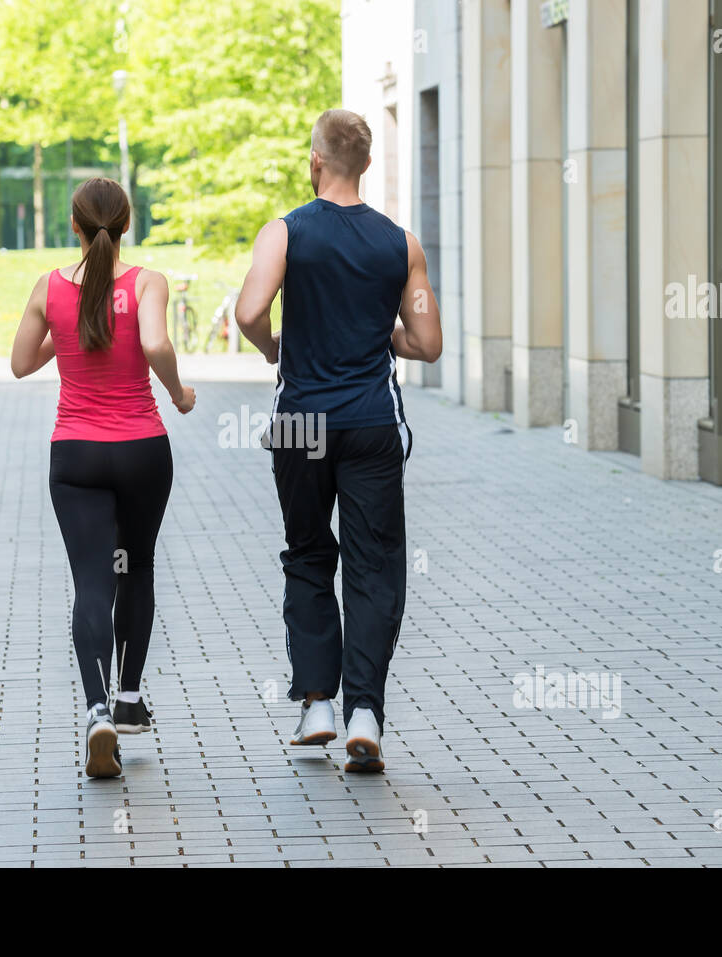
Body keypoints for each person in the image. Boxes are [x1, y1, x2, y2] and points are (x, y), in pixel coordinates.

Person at [234, 109, 442, 772]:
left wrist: (276, 348)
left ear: (315, 161)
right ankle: (366, 715)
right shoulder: (402, 244)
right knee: (374, 563)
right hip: (371, 424)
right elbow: (427, 343)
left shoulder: (286, 232)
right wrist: (383, 332)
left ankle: (318, 703)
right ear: (369, 164)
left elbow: (248, 312)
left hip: (301, 423)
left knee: (308, 553)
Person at [11, 177, 196, 779]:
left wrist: (64, 339)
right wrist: (179, 392)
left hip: (76, 455)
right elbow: (155, 342)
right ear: (126, 224)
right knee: (135, 564)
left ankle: (97, 712)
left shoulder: (48, 287)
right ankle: (132, 697)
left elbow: (19, 364)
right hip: (142, 449)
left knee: (92, 580)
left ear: (73, 225)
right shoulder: (146, 281)